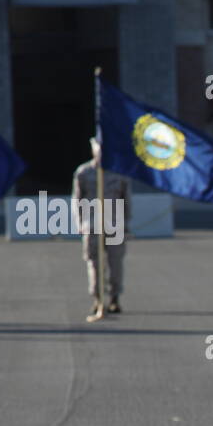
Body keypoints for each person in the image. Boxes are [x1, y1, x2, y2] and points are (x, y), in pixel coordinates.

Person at [71, 137, 131, 321]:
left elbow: (126, 199)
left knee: (115, 263)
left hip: (114, 224)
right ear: (93, 151)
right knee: (94, 263)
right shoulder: (83, 172)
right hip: (92, 225)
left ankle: (114, 298)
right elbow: (77, 200)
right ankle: (97, 299)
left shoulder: (119, 172)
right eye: (99, 149)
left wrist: (126, 223)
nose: (102, 153)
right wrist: (80, 222)